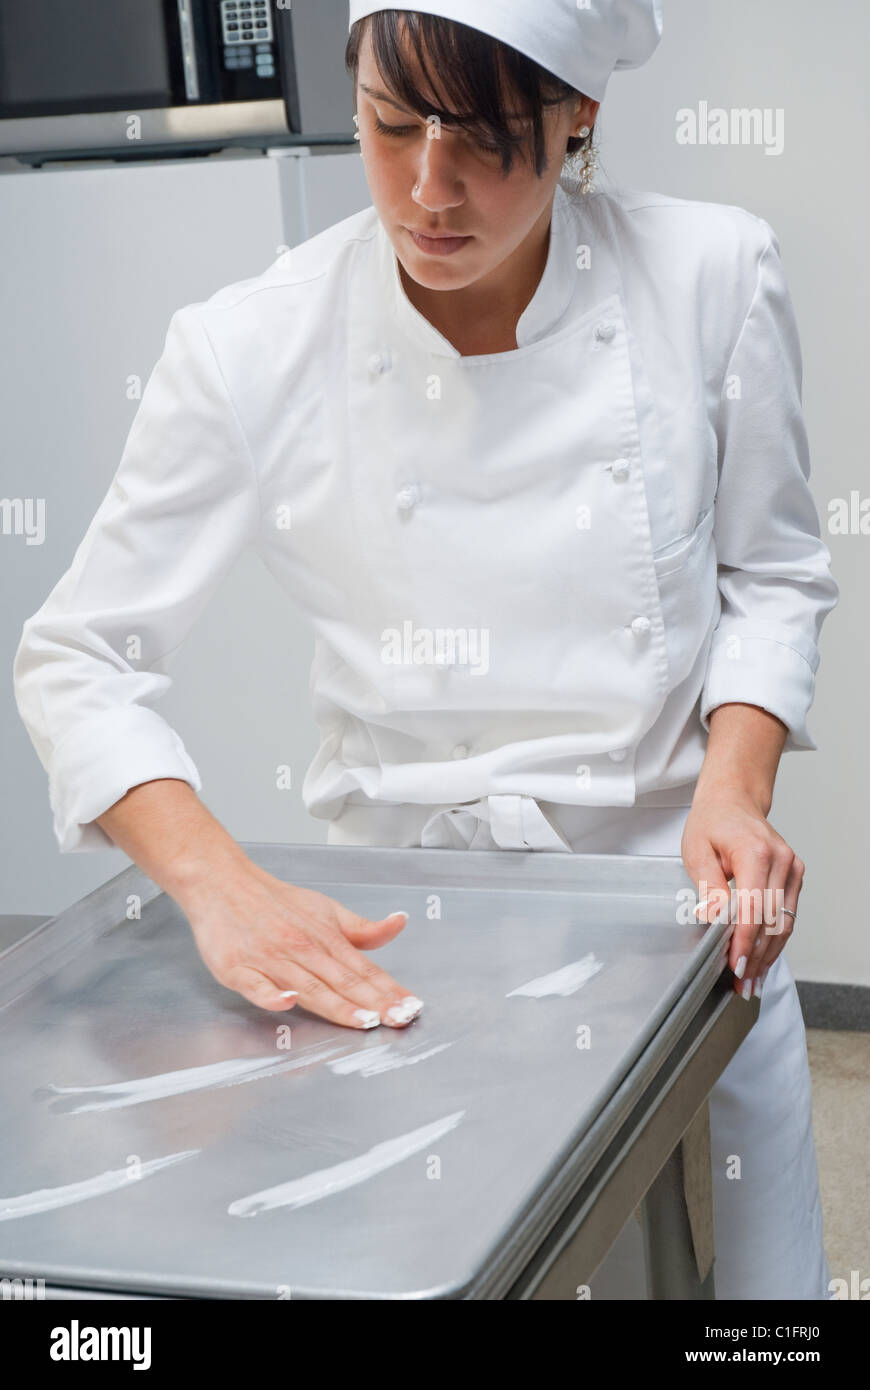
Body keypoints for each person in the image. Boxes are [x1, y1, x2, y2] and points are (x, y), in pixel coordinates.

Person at [12, 1, 838, 1299]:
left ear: (579, 117)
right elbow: (76, 656)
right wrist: (219, 885)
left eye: (488, 143)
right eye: (388, 129)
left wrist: (732, 789)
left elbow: (775, 574)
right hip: (402, 938)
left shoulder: (709, 275)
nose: (427, 189)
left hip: (674, 923)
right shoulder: (250, 342)